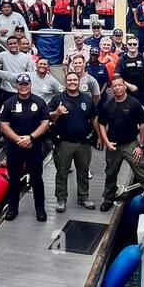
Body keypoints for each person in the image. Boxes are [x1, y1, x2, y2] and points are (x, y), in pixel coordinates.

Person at [97, 73, 144, 212]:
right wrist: (106, 142)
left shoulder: (134, 103)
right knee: (111, 173)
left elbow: (143, 125)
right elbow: (101, 124)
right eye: (114, 86)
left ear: (125, 86)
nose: (117, 88)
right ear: (112, 89)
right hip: (113, 146)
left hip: (131, 144)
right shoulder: (108, 105)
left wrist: (141, 147)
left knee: (142, 173)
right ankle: (108, 199)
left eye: (120, 85)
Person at [0, 73, 50, 221]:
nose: (23, 87)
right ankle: (12, 209)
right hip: (15, 147)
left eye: (26, 84)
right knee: (14, 179)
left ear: (30, 85)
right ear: (16, 86)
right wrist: (18, 140)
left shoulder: (39, 102)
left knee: (37, 179)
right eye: (21, 84)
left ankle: (40, 209)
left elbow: (45, 123)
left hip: (33, 146)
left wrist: (31, 137)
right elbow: (4, 125)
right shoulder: (9, 104)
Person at [50, 69, 98, 212]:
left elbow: (94, 118)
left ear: (79, 82)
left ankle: (83, 197)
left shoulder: (87, 99)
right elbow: (48, 117)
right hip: (64, 142)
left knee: (83, 171)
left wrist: (97, 136)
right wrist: (56, 113)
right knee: (62, 172)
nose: (72, 82)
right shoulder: (57, 99)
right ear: (65, 83)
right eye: (69, 80)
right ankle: (61, 199)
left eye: (75, 80)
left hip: (83, 143)